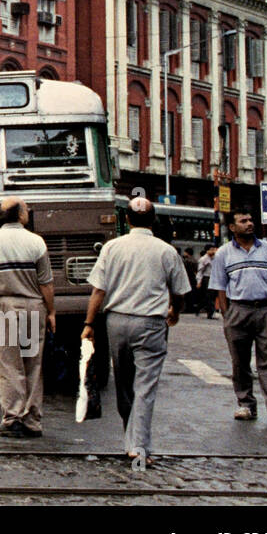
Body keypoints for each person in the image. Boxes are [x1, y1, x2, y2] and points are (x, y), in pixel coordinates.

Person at [82, 196, 189, 464]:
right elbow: (179, 292)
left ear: (127, 219)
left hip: (116, 321)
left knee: (124, 385)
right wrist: (175, 311)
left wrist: (88, 324)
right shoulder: (166, 251)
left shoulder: (111, 248)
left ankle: (131, 440)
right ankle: (138, 447)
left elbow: (98, 290)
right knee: (145, 386)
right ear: (153, 221)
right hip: (150, 323)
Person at [0, 198, 54, 438]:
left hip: (4, 306)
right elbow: (46, 283)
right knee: (33, 364)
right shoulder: (36, 242)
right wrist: (51, 312)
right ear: (18, 214)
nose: (28, 211)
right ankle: (32, 421)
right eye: (26, 208)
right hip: (33, 306)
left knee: (8, 364)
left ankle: (12, 418)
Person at [210, 207, 267, 427]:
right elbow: (220, 287)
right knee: (240, 362)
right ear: (232, 227)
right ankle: (246, 403)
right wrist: (227, 316)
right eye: (243, 220)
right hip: (239, 311)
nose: (249, 224)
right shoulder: (224, 253)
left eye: (250, 220)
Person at [194, 244, 217, 318]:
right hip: (206, 278)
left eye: (214, 249)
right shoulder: (203, 259)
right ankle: (210, 313)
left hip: (214, 278)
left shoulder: (215, 258)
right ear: (207, 251)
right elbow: (200, 271)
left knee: (211, 296)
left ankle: (199, 307)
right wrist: (199, 282)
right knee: (209, 296)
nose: (213, 251)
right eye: (211, 250)